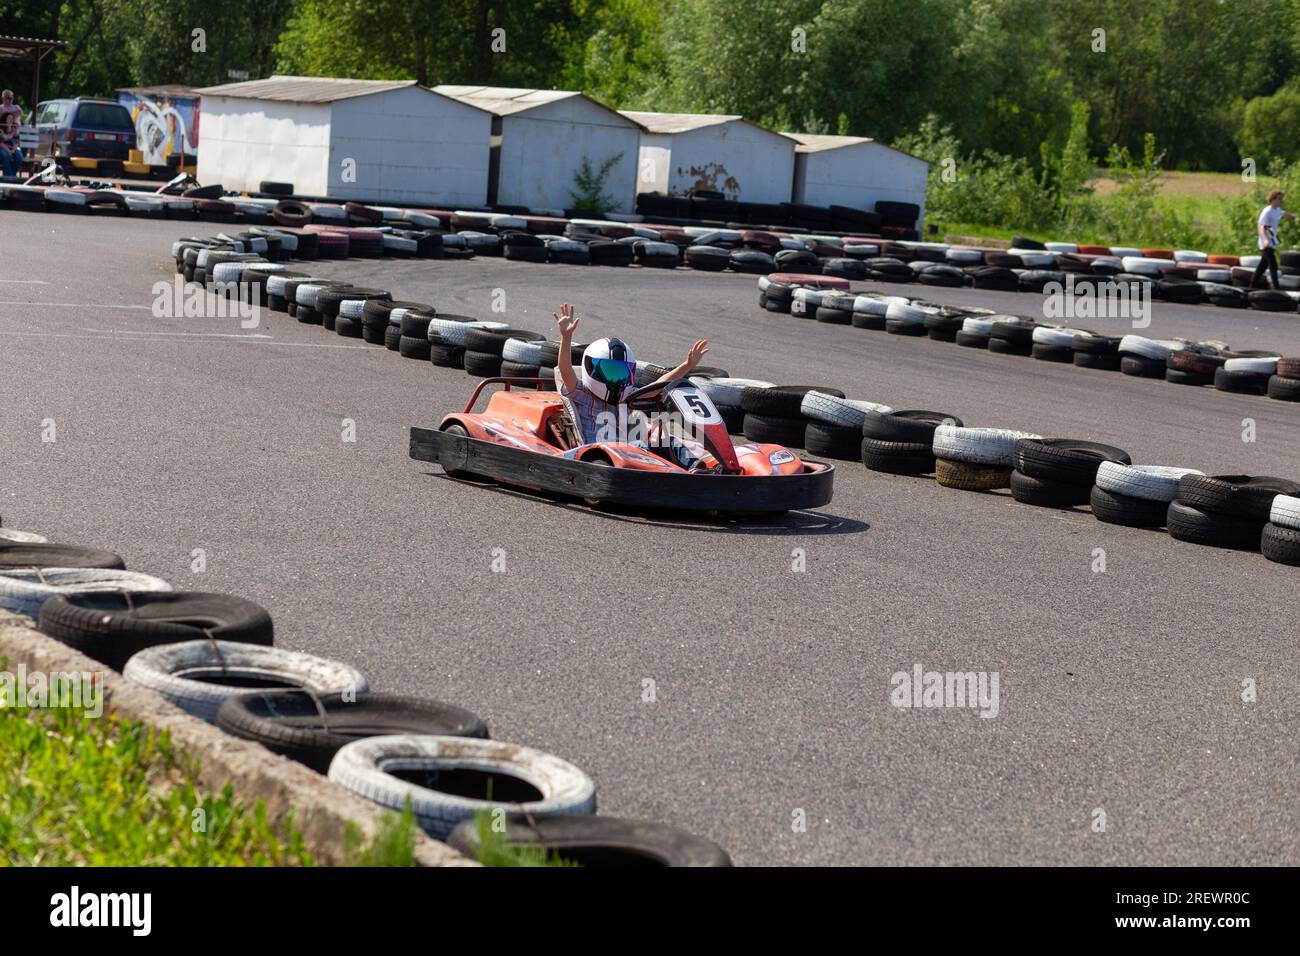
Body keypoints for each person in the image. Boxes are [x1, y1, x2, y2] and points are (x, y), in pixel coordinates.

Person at [551, 302, 711, 467]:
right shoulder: (582, 393)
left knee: (666, 442)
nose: (617, 380)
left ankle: (695, 468)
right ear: (592, 369)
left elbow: (659, 384)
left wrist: (687, 365)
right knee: (639, 446)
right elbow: (565, 369)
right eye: (611, 372)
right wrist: (566, 336)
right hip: (600, 455)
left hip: (629, 454)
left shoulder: (626, 397)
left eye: (622, 373)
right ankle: (665, 473)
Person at [1252, 189, 1295, 290]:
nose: (1282, 201)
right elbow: (1262, 226)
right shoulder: (1267, 211)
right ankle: (1276, 288)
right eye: (1280, 199)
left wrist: (1292, 216)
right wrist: (1265, 240)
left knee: (1262, 267)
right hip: (1265, 243)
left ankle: (1252, 285)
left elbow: (1283, 213)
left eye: (1282, 199)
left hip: (1272, 242)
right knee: (1273, 265)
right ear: (1273, 199)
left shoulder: (1277, 210)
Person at [0, 90, 24, 177]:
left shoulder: (16, 107)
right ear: (3, 98)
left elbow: (16, 141)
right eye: (8, 98)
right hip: (2, 146)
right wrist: (9, 151)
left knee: (19, 156)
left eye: (11, 98)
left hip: (12, 144)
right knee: (5, 155)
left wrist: (13, 150)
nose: (10, 100)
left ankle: (10, 178)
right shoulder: (0, 108)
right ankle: (9, 178)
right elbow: (1, 142)